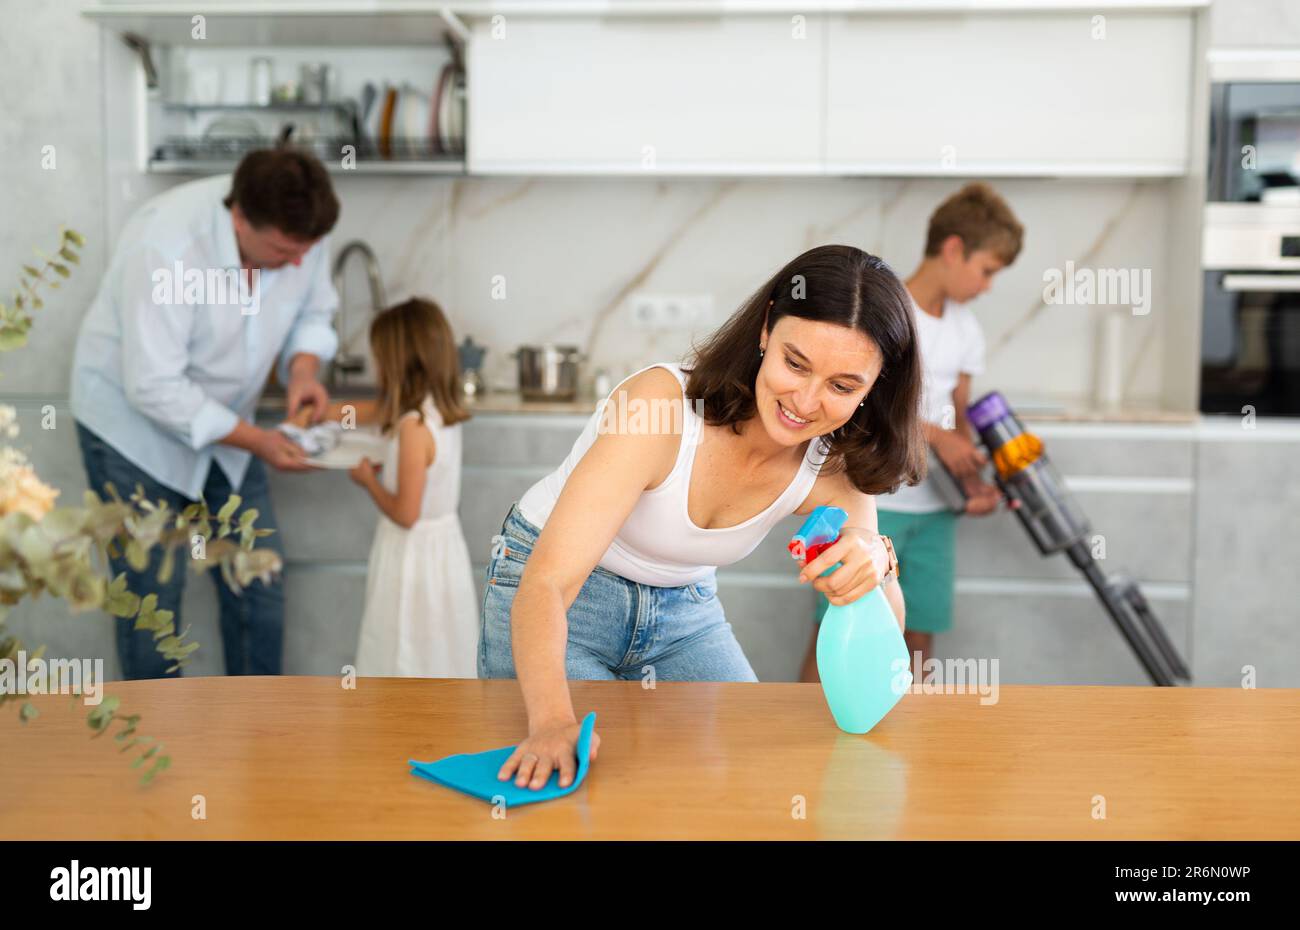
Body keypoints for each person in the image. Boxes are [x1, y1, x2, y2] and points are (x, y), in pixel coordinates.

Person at [480, 244, 927, 791]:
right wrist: (551, 722)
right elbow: (548, 583)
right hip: (560, 596)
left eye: (842, 386)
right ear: (766, 329)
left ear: (875, 385)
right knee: (581, 783)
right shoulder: (660, 410)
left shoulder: (833, 463)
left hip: (683, 613)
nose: (806, 402)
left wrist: (876, 558)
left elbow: (886, 633)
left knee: (740, 779)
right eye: (795, 363)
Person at [70, 148, 341, 680]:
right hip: (133, 433)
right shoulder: (166, 247)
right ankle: (157, 754)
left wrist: (303, 371)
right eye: (285, 251)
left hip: (229, 431)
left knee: (259, 585)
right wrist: (258, 441)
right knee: (154, 600)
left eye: (306, 251)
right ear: (239, 217)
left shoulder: (304, 228)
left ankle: (262, 742)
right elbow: (152, 385)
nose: (298, 263)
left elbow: (314, 308)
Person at [800, 182, 1024, 683]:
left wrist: (972, 482)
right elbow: (862, 404)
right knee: (837, 633)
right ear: (953, 249)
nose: (988, 285)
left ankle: (908, 751)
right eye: (986, 270)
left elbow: (959, 419)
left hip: (934, 513)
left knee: (916, 637)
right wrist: (938, 437)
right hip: (876, 505)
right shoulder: (884, 312)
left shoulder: (967, 331)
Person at [307, 298, 478, 677]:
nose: (376, 368)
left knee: (403, 647)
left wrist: (368, 480)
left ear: (398, 363)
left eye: (379, 359)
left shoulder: (413, 427)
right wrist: (321, 412)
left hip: (412, 556)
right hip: (443, 552)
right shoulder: (434, 410)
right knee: (440, 650)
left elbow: (405, 513)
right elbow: (372, 412)